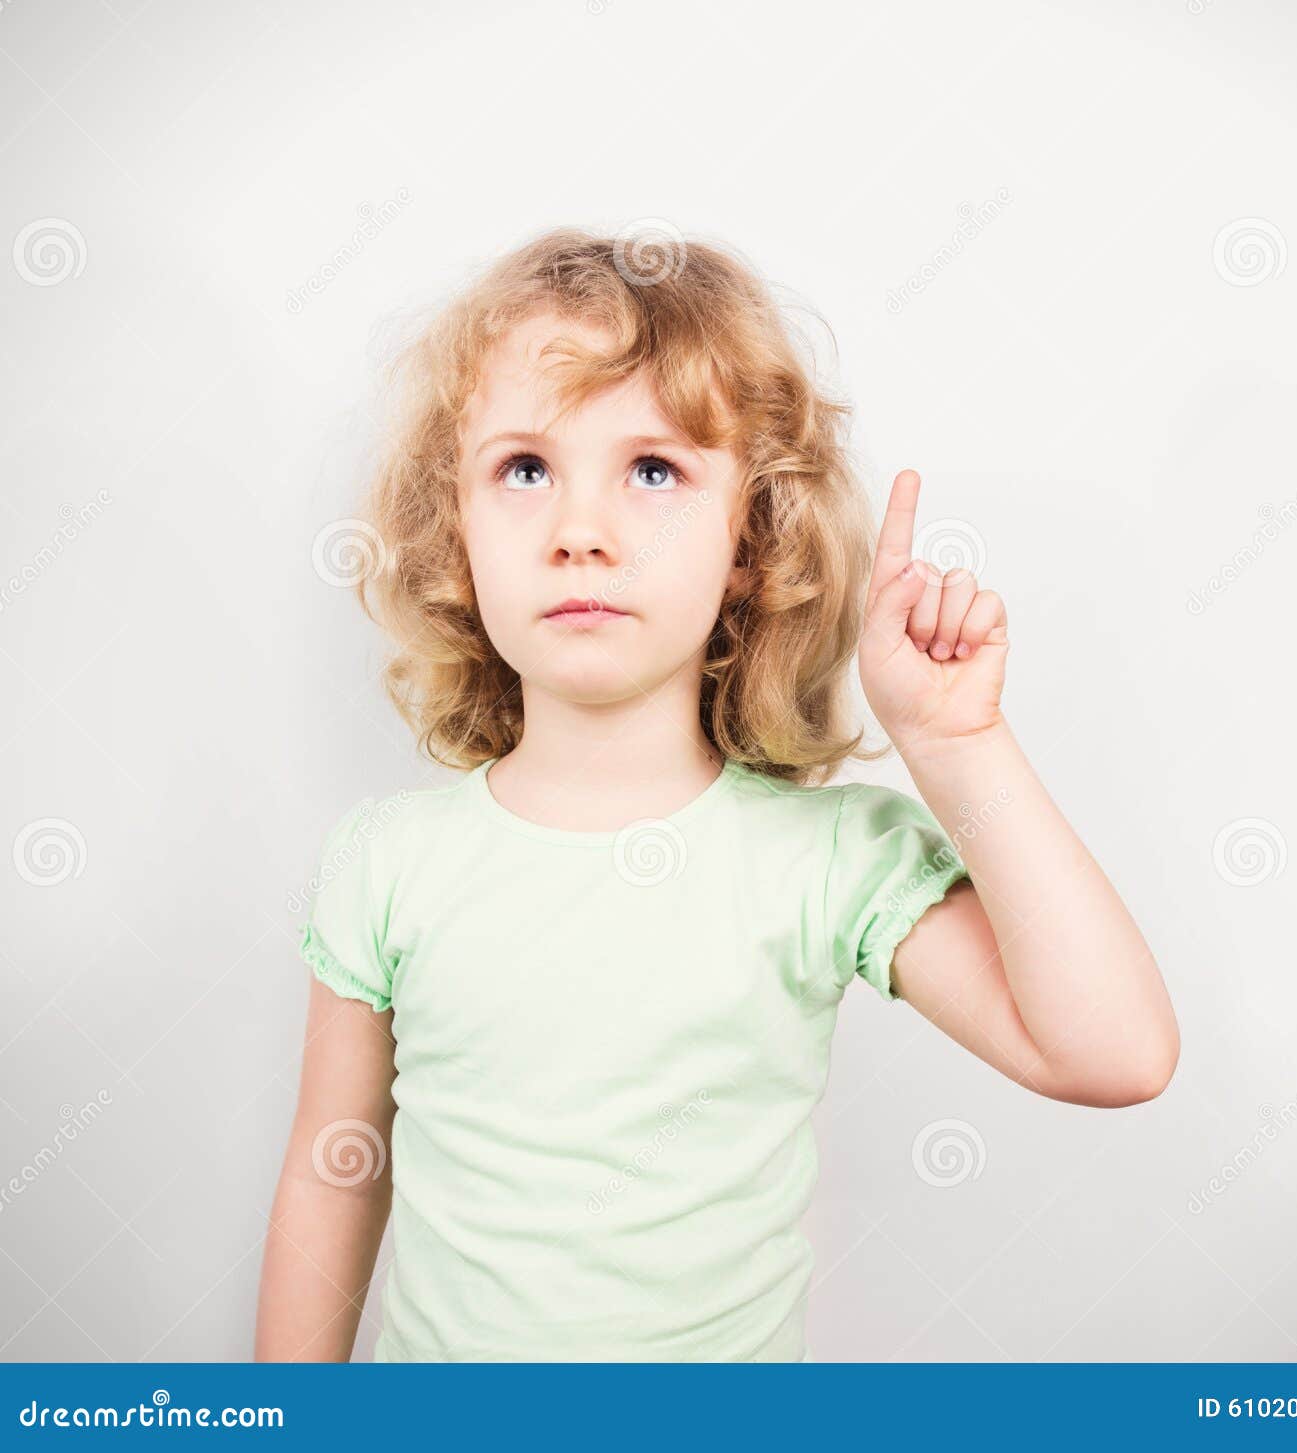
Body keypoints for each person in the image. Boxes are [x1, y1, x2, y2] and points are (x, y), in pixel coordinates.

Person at [254, 227, 1179, 1363]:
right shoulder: (384, 861)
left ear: (752, 541)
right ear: (457, 528)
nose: (582, 533)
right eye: (524, 469)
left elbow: (1114, 1054)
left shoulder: (831, 861)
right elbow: (333, 1174)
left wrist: (954, 739)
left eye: (654, 471)